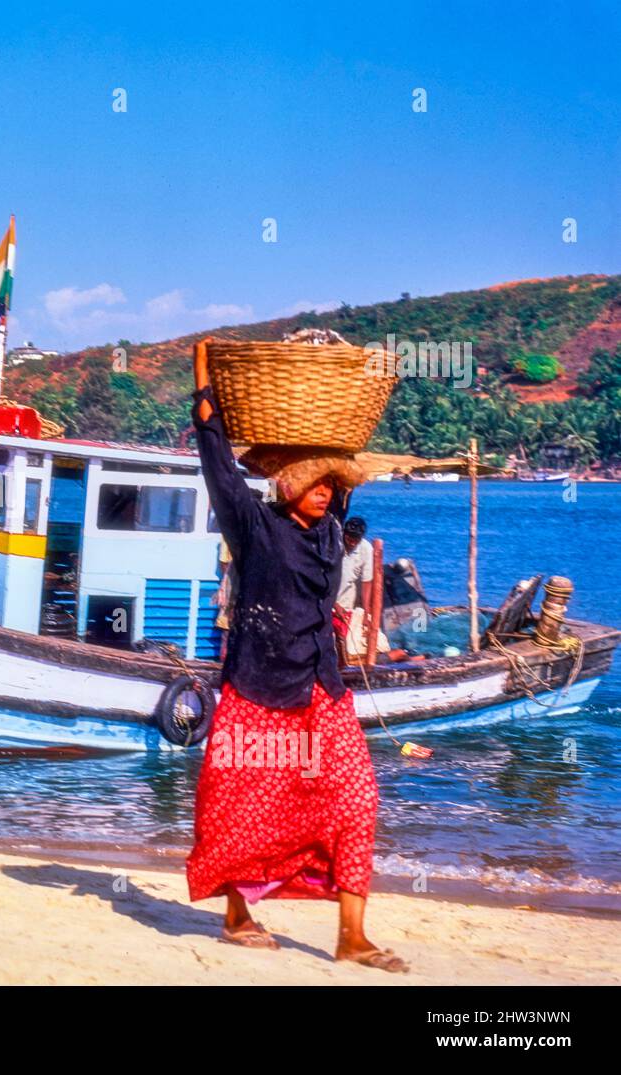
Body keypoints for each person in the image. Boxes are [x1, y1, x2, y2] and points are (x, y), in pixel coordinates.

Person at [185, 340, 406, 973]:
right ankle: (236, 913)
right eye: (315, 481)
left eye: (333, 483)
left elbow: (343, 453)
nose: (326, 491)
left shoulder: (334, 528)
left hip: (322, 686)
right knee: (239, 805)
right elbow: (216, 458)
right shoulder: (252, 525)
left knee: (356, 797)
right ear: (290, 481)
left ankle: (352, 935)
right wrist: (204, 380)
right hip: (256, 688)